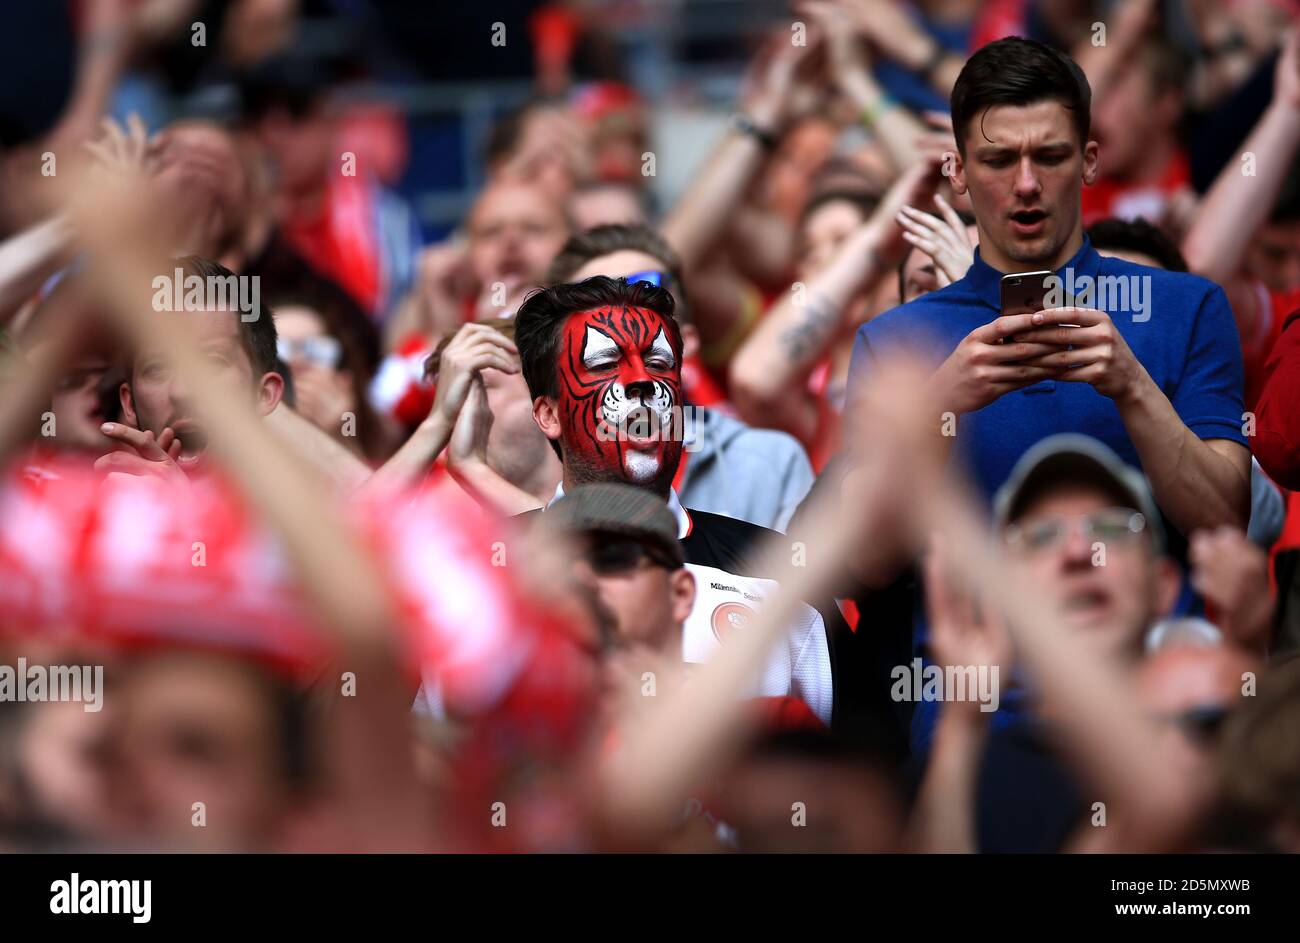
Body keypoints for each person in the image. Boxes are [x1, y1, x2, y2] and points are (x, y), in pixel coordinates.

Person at [848, 35, 1251, 552]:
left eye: (1050, 156)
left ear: (1088, 162)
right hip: (966, 633)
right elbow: (863, 557)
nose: (1027, 184)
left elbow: (1223, 522)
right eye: (998, 160)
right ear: (958, 171)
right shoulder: (891, 340)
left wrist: (1131, 385)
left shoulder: (1188, 307)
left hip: (1150, 632)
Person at [513, 275, 841, 728]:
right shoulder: (480, 566)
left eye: (658, 363)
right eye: (607, 363)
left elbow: (842, 771)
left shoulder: (778, 567)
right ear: (548, 414)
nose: (641, 382)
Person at [547, 224, 815, 531]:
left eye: (647, 289)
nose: (624, 318)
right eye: (591, 301)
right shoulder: (528, 461)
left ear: (687, 342)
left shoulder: (769, 464)